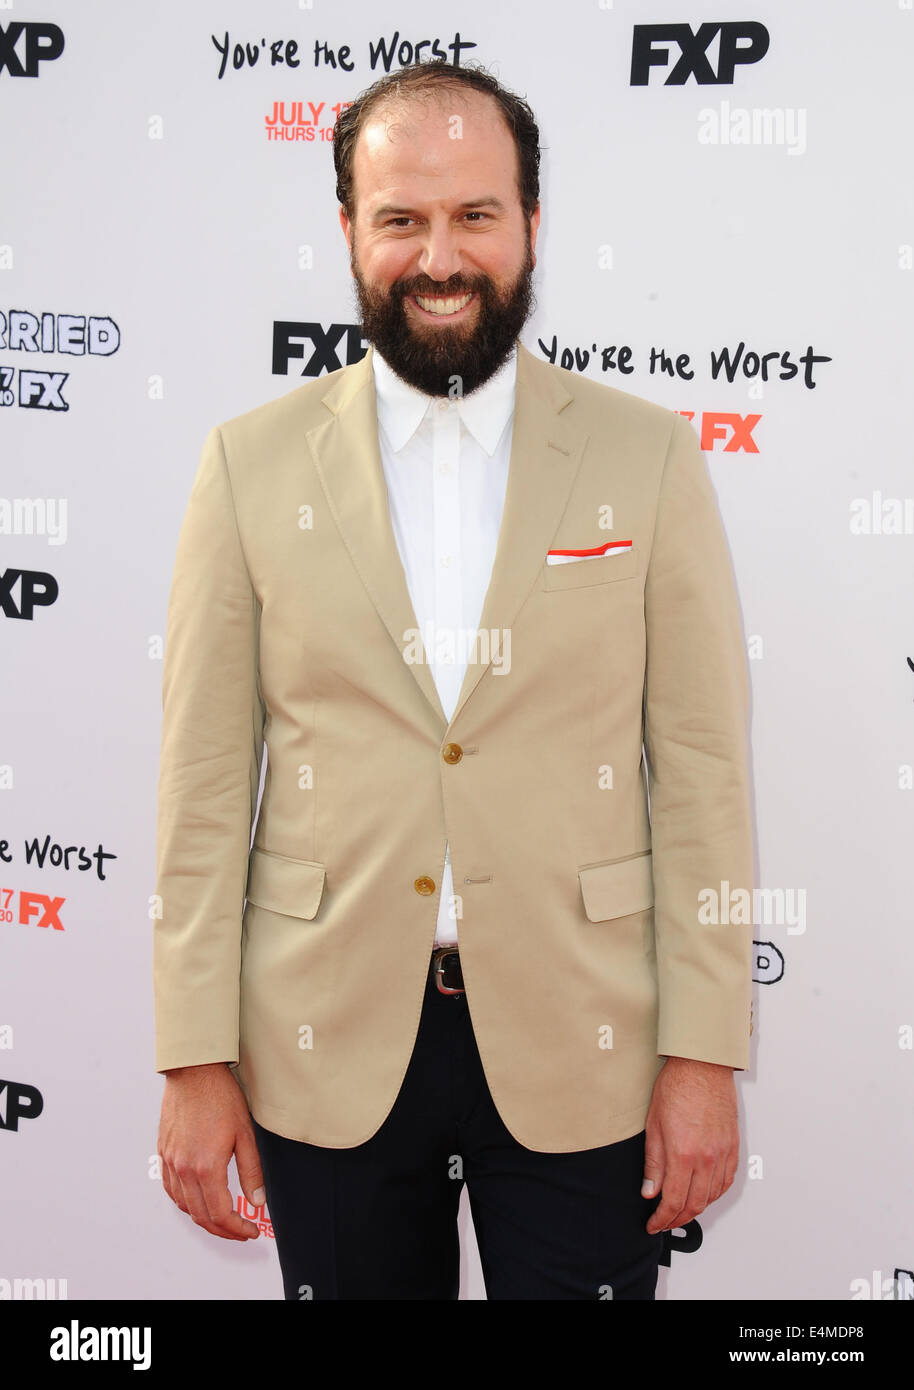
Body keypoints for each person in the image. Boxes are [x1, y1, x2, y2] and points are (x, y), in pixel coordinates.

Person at [154, 60, 755, 1301]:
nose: (440, 255)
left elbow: (697, 776)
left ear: (532, 223)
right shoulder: (246, 467)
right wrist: (193, 1058)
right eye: (401, 219)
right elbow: (206, 788)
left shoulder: (644, 461)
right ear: (348, 232)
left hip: (584, 1043)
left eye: (474, 214)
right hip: (322, 1044)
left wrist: (701, 1052)